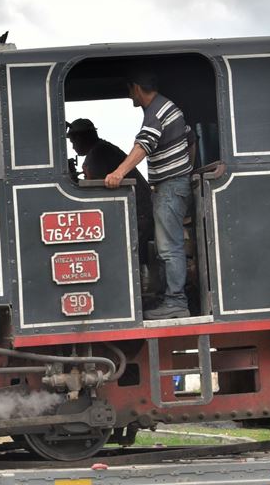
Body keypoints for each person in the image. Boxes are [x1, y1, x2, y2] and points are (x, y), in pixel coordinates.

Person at [102, 70, 193, 320]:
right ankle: (170, 300)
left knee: (168, 248)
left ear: (137, 88)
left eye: (129, 90)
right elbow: (191, 139)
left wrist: (119, 173)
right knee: (165, 246)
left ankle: (176, 302)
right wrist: (186, 169)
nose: (130, 95)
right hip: (172, 184)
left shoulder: (157, 111)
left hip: (170, 186)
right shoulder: (166, 108)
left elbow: (144, 145)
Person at [65, 118, 154, 257]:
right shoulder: (104, 147)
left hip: (137, 213)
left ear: (81, 138)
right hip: (142, 209)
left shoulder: (97, 154)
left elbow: (96, 195)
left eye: (73, 141)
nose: (73, 147)